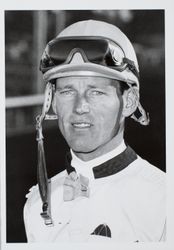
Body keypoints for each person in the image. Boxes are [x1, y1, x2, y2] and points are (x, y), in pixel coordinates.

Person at [23, 20, 166, 242]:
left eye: (97, 92)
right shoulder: (36, 204)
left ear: (128, 102)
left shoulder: (164, 201)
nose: (79, 107)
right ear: (52, 103)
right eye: (67, 91)